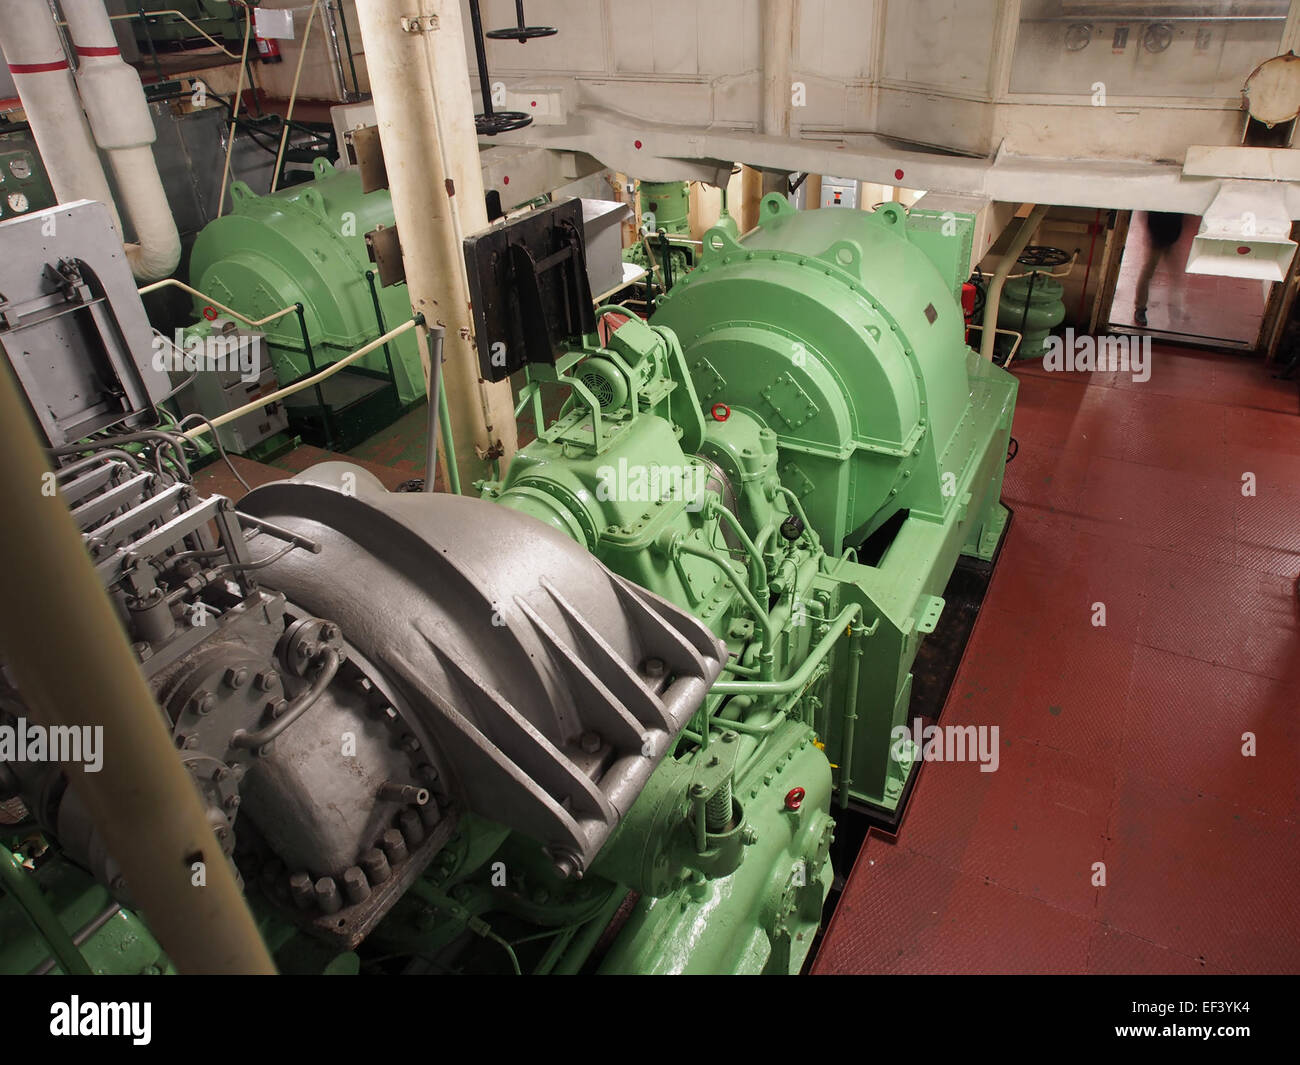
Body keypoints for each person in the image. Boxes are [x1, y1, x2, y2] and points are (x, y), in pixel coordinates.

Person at [1134, 211, 1185, 327]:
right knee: (1148, 272)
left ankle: (1173, 307)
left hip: (1169, 237)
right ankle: (1140, 308)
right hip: (1159, 237)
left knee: (1172, 274)